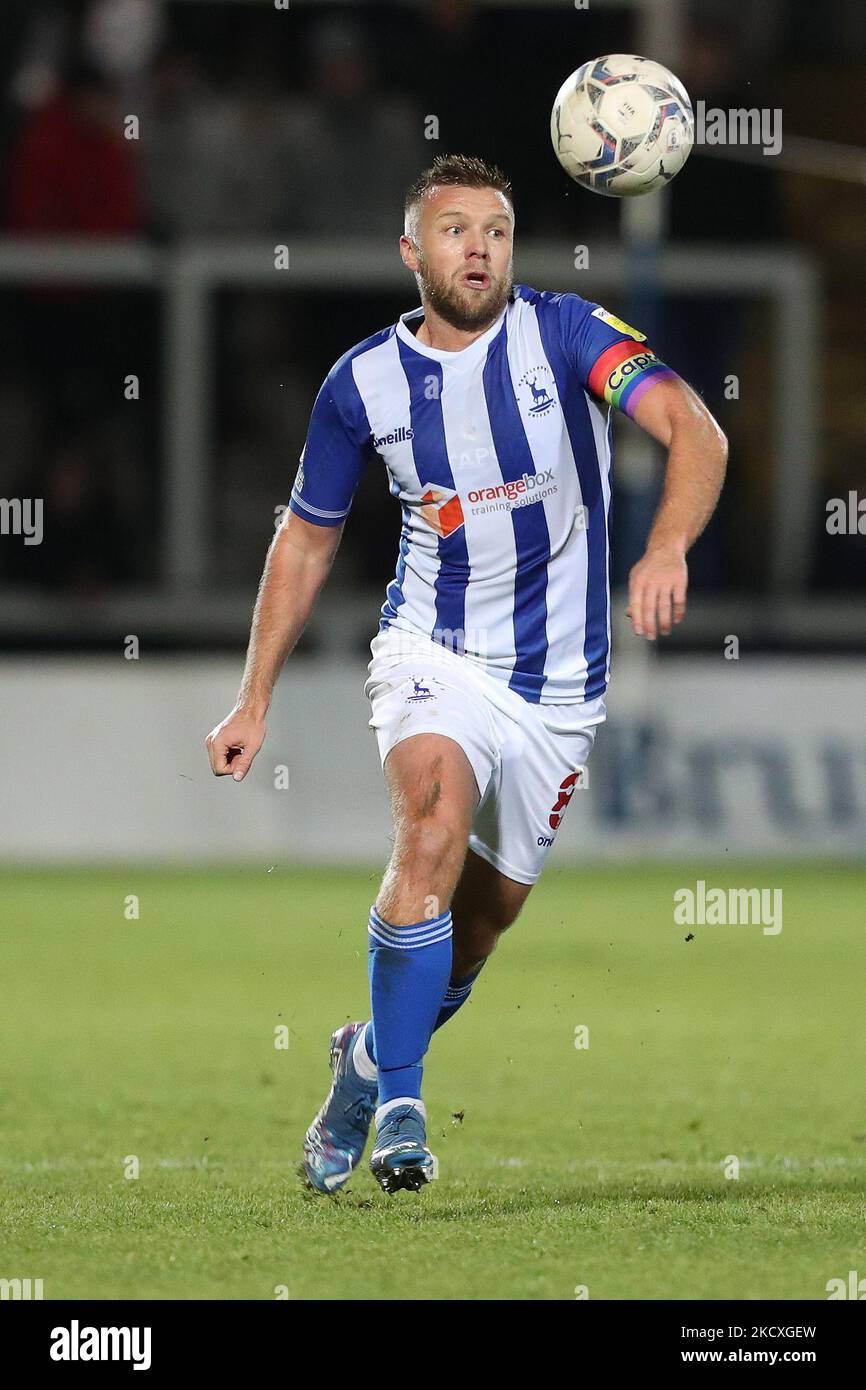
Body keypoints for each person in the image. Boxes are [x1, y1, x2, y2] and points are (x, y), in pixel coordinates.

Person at [204, 153, 727, 1196]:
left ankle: (361, 1064)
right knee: (431, 821)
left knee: (480, 921)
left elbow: (692, 429)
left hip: (559, 685)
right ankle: (402, 1106)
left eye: (493, 228)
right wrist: (252, 693)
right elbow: (305, 541)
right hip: (430, 653)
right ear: (412, 252)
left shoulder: (570, 335)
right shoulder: (360, 383)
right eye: (453, 229)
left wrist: (664, 547)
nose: (476, 246)